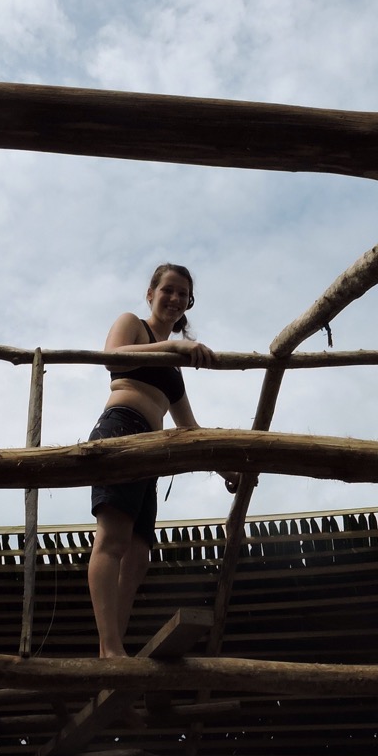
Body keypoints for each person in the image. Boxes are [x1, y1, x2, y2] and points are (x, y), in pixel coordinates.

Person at [88, 263, 239, 658]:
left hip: (151, 450)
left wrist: (226, 469)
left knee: (137, 558)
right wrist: (175, 347)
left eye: (182, 293)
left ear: (189, 302)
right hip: (122, 429)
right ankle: (109, 648)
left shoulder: (174, 364)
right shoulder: (134, 324)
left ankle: (113, 647)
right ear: (150, 294)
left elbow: (189, 427)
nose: (174, 298)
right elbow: (112, 359)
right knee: (113, 539)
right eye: (168, 290)